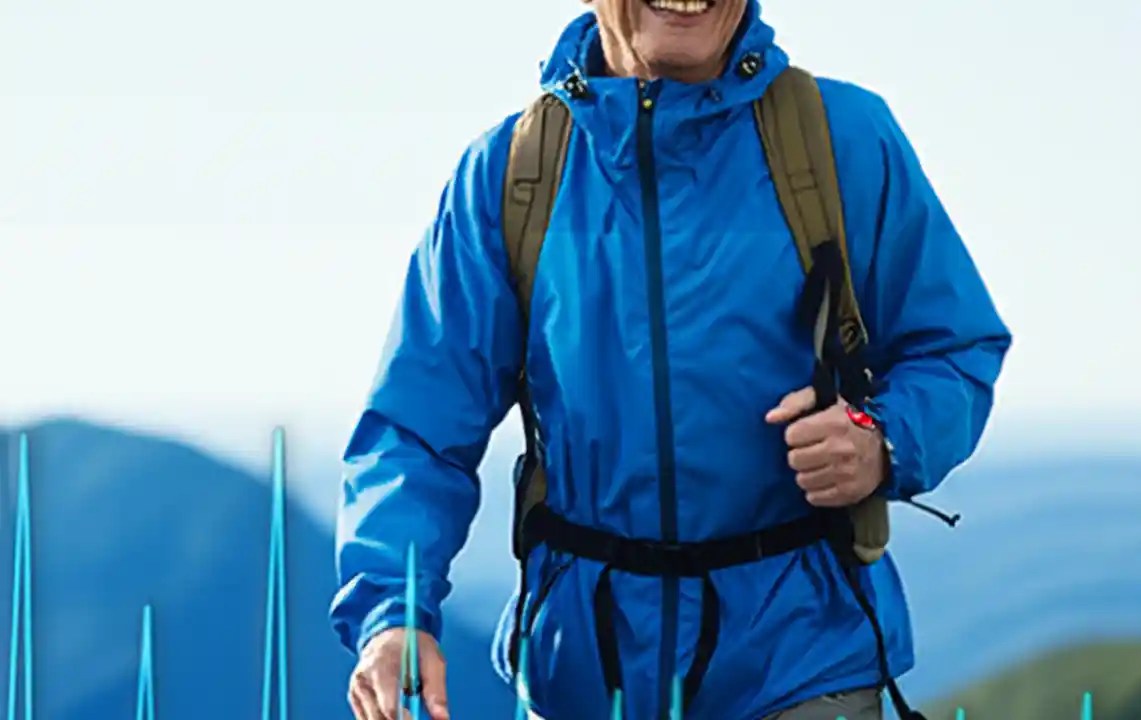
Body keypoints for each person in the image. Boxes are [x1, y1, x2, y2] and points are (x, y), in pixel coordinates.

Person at [330, 0, 1012, 718]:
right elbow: (417, 426)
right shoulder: (510, 175)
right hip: (580, 680)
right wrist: (393, 615)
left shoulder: (842, 140)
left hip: (803, 661)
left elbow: (955, 347)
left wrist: (882, 441)